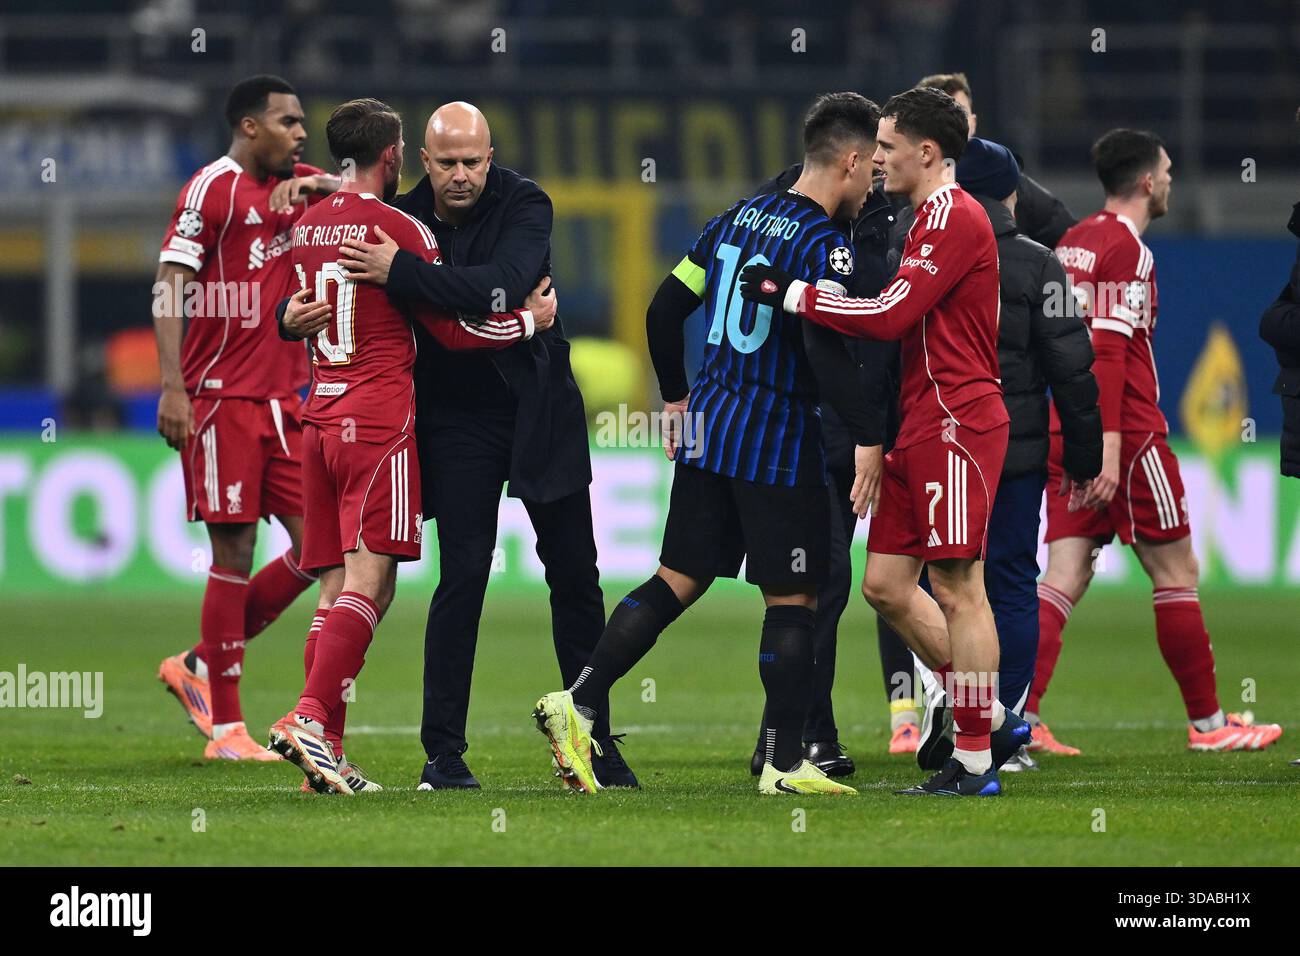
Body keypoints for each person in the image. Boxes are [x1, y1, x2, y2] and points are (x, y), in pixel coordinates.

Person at [530, 92, 883, 797]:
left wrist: (675, 395)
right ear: (849, 161)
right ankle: (784, 764)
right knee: (794, 599)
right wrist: (871, 435)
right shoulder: (823, 246)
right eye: (873, 168)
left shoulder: (732, 220)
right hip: (778, 438)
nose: (875, 182)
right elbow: (829, 351)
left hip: (712, 425)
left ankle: (580, 699)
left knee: (675, 580)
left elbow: (666, 306)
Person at [280, 102, 629, 790]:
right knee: (460, 578)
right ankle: (442, 755)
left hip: (538, 407)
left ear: (490, 157)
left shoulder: (525, 203)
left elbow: (496, 285)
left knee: (575, 577)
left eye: (474, 161)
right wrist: (284, 317)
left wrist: (402, 275)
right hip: (453, 420)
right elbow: (454, 311)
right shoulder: (402, 219)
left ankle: (591, 737)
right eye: (447, 163)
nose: (462, 175)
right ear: (417, 160)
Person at [740, 87, 1033, 797]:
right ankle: (988, 714)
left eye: (891, 147)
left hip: (959, 422)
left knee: (962, 588)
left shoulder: (956, 218)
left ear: (927, 154)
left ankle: (972, 760)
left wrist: (794, 294)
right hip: (919, 423)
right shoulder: (922, 219)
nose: (879, 158)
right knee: (886, 586)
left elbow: (889, 314)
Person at [1029, 129, 1284, 754]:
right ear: (1147, 181)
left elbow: (1055, 343)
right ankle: (1209, 726)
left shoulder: (1071, 244)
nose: (1170, 179)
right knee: (1176, 570)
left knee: (1063, 576)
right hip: (1129, 437)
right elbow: (1110, 352)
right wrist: (1111, 449)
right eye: (1166, 170)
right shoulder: (1128, 251)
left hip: (1064, 429)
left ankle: (1020, 718)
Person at [152, 75, 339, 761]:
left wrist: (323, 193)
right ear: (250, 126)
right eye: (288, 122)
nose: (300, 134)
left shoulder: (308, 183)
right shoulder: (212, 189)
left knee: (324, 549)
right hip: (221, 396)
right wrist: (173, 388)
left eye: (303, 123)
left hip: (290, 400)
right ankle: (226, 730)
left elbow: (370, 200)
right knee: (233, 552)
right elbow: (168, 286)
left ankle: (199, 662)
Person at [910, 138, 1102, 774]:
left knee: (944, 585)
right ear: (1012, 193)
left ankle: (959, 715)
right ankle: (1003, 720)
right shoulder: (1038, 263)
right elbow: (1072, 366)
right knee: (1011, 586)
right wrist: (1082, 454)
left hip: (940, 444)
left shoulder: (924, 247)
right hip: (1016, 454)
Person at [746, 107, 900, 775]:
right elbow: (775, 302)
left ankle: (796, 737)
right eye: (878, 151)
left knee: (845, 584)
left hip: (874, 424)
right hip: (813, 425)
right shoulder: (790, 208)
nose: (882, 165)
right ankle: (799, 738)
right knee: (818, 582)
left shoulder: (893, 215)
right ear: (851, 157)